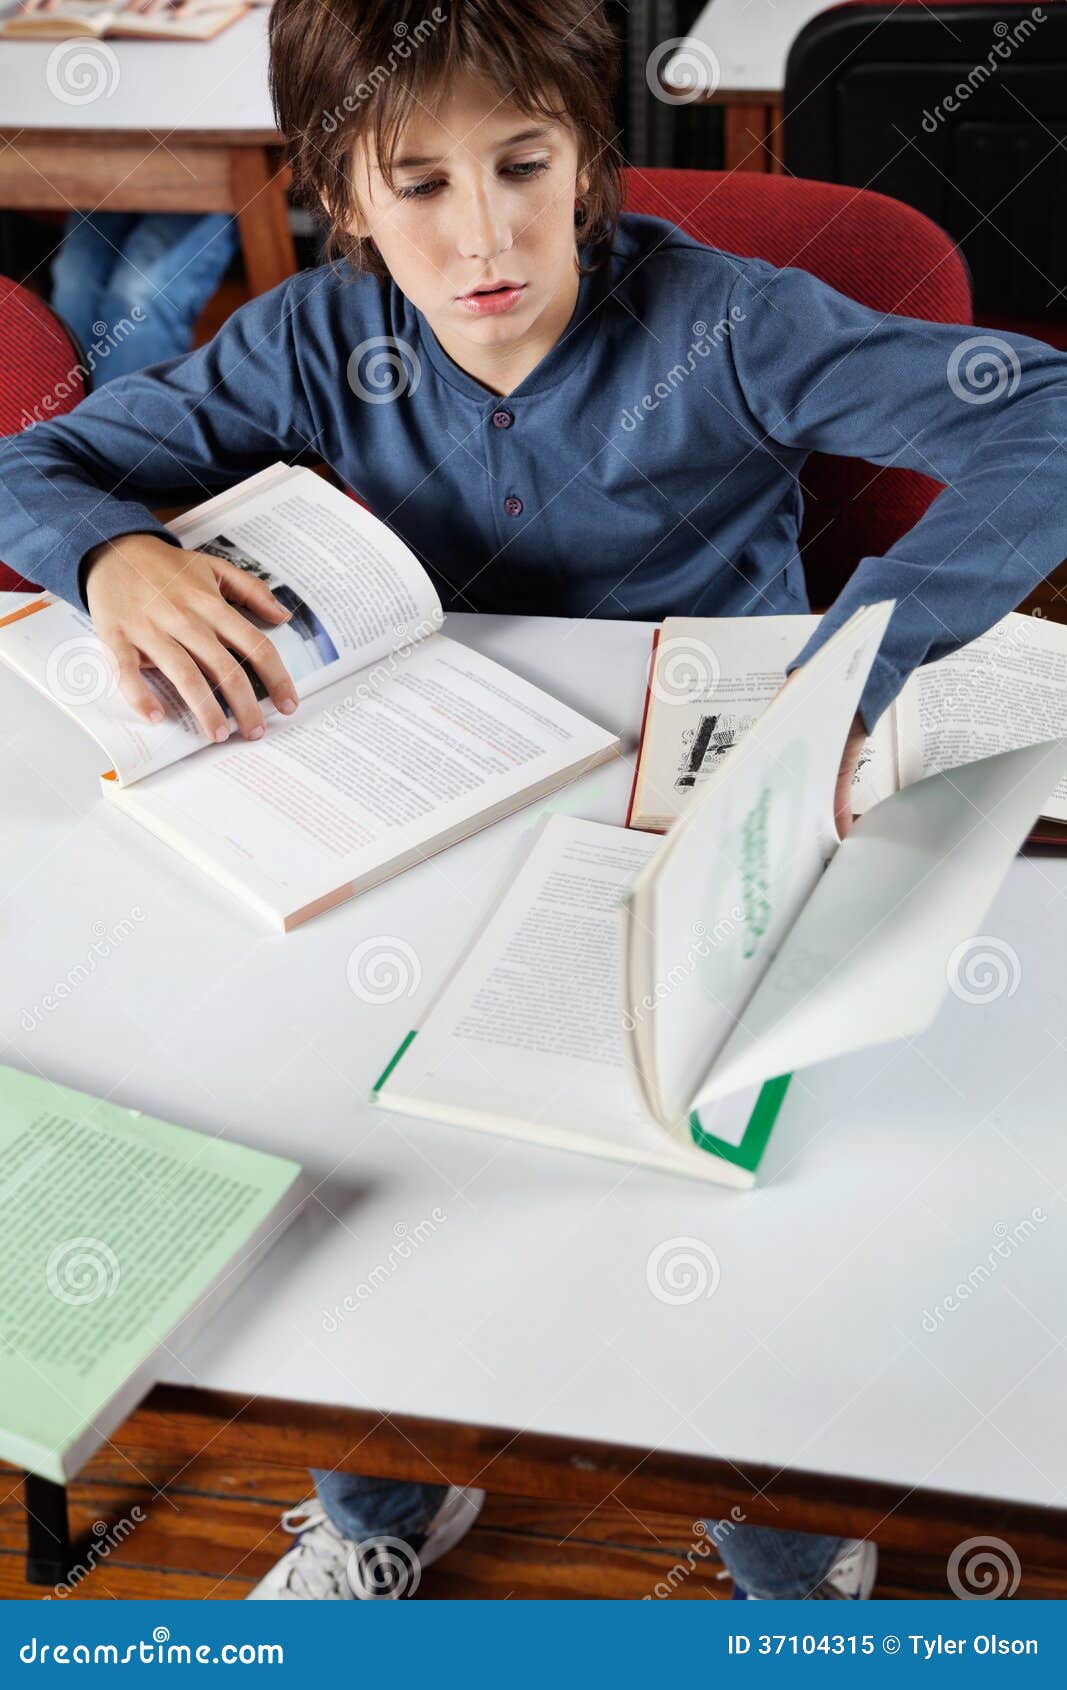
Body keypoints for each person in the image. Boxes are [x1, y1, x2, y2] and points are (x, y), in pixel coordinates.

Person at [2, 0, 1065, 1599]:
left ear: (588, 164)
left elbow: (1044, 415)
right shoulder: (309, 336)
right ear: (341, 197)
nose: (485, 237)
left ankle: (784, 1533)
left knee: (762, 1183)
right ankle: (382, 1507)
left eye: (523, 165)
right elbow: (36, 461)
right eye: (418, 186)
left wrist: (864, 648)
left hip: (711, 811)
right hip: (446, 820)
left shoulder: (728, 323)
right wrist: (113, 549)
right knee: (366, 1141)